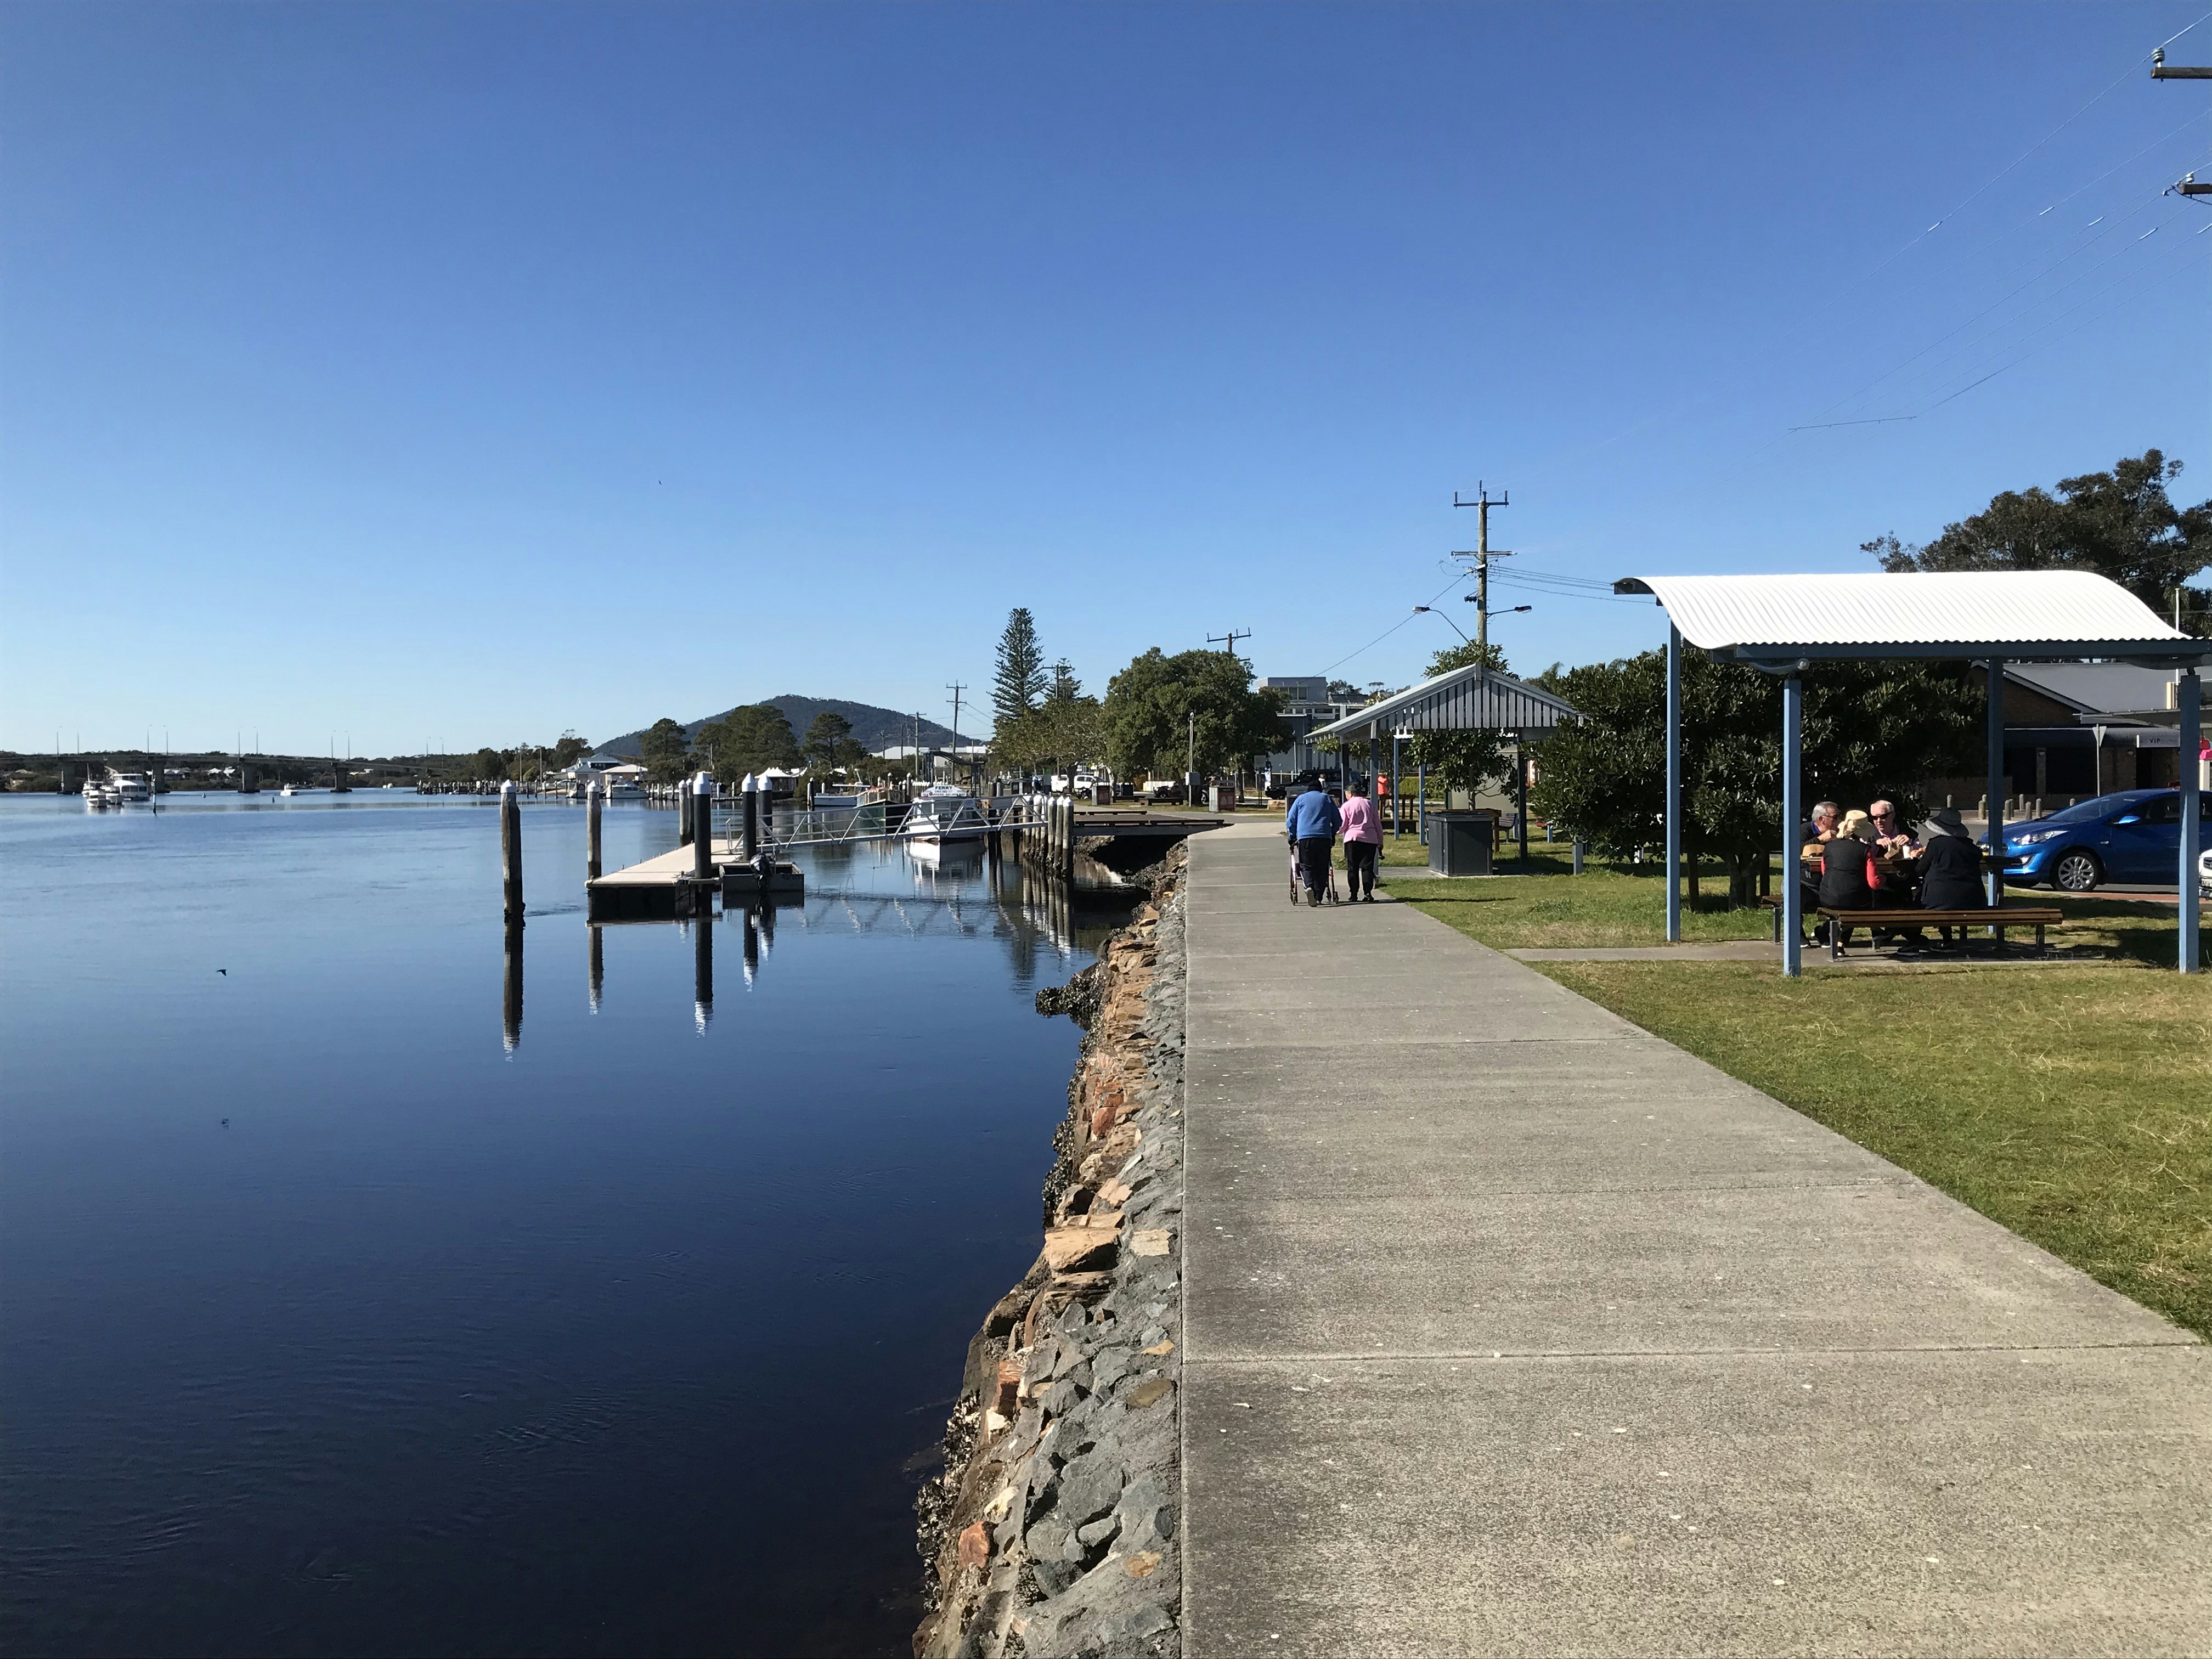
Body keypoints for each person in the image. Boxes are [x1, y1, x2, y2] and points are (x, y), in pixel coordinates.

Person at [1914, 806, 1985, 946]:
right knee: (1946, 898)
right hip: (1973, 900)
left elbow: (1920, 870)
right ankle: (1947, 939)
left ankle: (1914, 940)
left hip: (1939, 900)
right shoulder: (1971, 847)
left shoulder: (1935, 845)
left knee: (1916, 901)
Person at [1816, 812, 1882, 949]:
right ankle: (1875, 932)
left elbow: (1825, 872)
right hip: (1855, 900)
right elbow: (1874, 883)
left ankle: (1835, 939)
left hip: (1827, 896)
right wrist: (1884, 878)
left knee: (1850, 898)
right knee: (1861, 899)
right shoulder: (1865, 850)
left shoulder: (1829, 847)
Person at [1284, 781, 1341, 907]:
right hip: (1324, 837)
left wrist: (1292, 836)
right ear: (1321, 790)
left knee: (1307, 865)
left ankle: (1309, 886)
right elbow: (1337, 819)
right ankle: (1319, 896)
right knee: (1322, 867)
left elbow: (1291, 820)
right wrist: (1332, 833)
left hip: (1306, 837)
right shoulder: (1327, 799)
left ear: (1308, 790)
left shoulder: (1301, 799)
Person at [1339, 780, 1381, 902]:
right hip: (1370, 838)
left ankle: (1354, 894)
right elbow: (1377, 824)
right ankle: (1368, 893)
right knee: (1367, 867)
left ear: (1350, 793)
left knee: (1353, 867)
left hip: (1352, 839)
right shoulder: (1369, 804)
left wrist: (1336, 832)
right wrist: (1380, 840)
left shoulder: (1346, 806)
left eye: (1346, 794)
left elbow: (1342, 825)